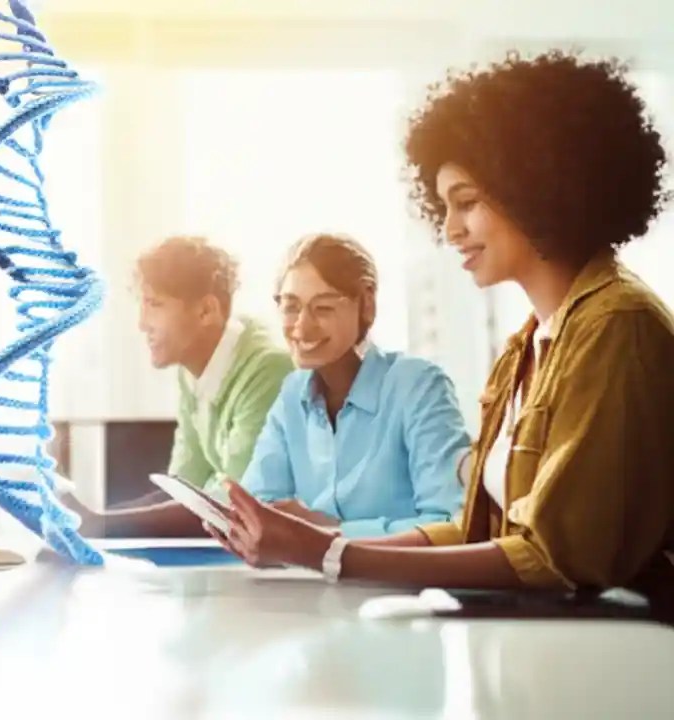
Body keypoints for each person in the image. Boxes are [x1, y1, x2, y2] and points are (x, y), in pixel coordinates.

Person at [211, 51, 674, 603]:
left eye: (467, 203)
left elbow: (553, 559)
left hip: (614, 655)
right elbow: (479, 531)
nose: (450, 229)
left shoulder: (616, 326)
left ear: (538, 188)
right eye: (444, 206)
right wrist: (319, 546)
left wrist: (328, 553)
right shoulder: (532, 342)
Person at [61, 236, 293, 536]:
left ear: (206, 311)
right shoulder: (193, 367)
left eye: (155, 305)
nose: (142, 324)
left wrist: (101, 524)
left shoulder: (268, 371)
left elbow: (236, 507)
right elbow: (187, 489)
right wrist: (94, 519)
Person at [241, 232, 469, 538]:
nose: (302, 327)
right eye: (291, 307)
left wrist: (328, 531)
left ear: (367, 304)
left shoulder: (418, 386)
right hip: (307, 581)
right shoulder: (292, 395)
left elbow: (450, 523)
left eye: (323, 308)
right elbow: (257, 507)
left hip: (402, 583)